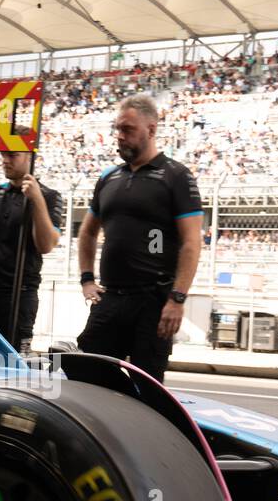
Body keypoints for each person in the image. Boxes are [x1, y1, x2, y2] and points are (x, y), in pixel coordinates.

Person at [76, 94, 203, 382]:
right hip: (110, 297)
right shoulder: (109, 177)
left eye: (128, 130)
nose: (120, 136)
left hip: (154, 301)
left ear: (151, 130)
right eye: (118, 129)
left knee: (148, 387)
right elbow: (87, 232)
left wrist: (177, 299)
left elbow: (191, 243)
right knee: (85, 373)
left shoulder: (176, 177)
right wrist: (86, 280)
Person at [0, 150, 63, 353]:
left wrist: (36, 199)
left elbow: (46, 245)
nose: (5, 160)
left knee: (11, 368)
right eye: (3, 155)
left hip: (20, 297)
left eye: (13, 155)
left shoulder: (49, 196)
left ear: (30, 157)